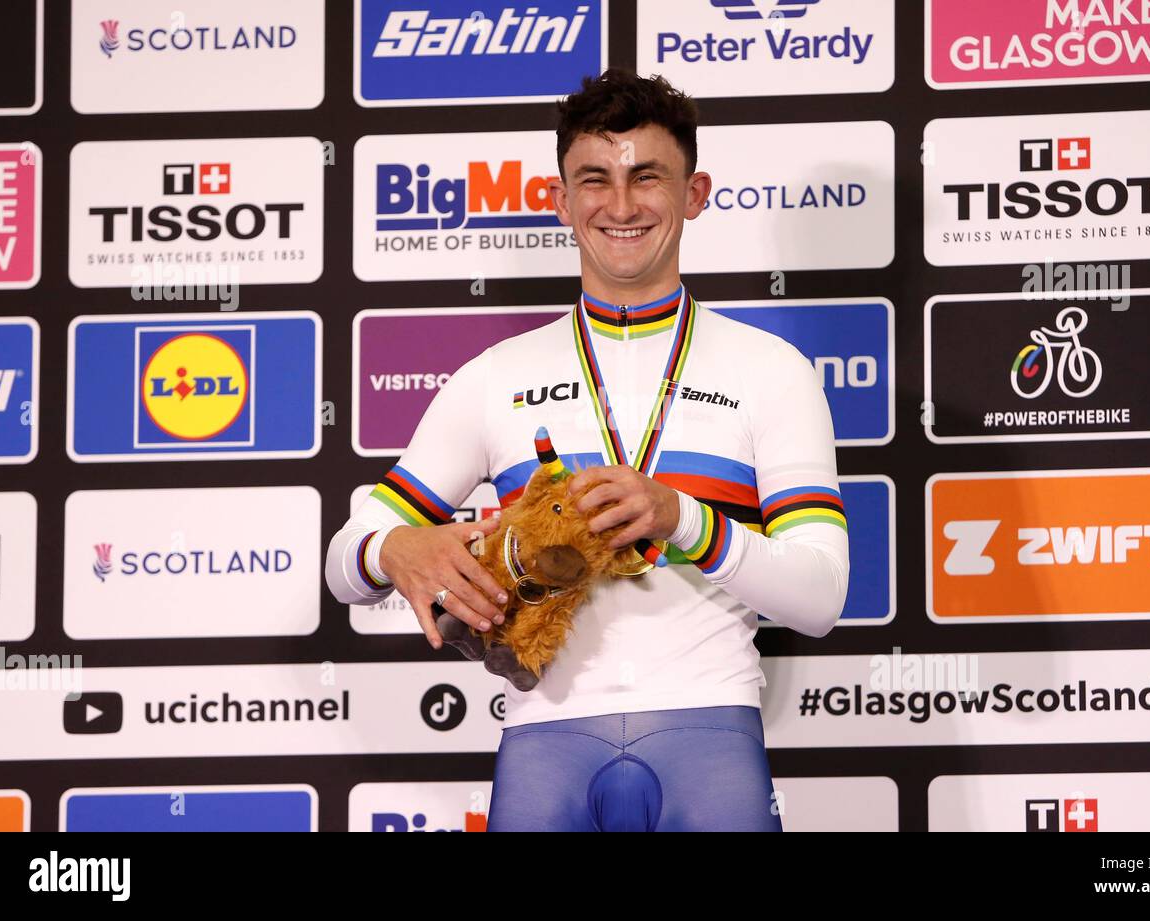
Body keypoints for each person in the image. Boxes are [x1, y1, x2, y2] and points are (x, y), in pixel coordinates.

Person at [325, 68, 849, 832]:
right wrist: (395, 549)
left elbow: (822, 595)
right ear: (560, 199)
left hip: (710, 730)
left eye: (649, 177)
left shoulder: (772, 371)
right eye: (595, 179)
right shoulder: (496, 377)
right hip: (546, 739)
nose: (623, 204)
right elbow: (345, 561)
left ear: (695, 193)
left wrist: (682, 518)